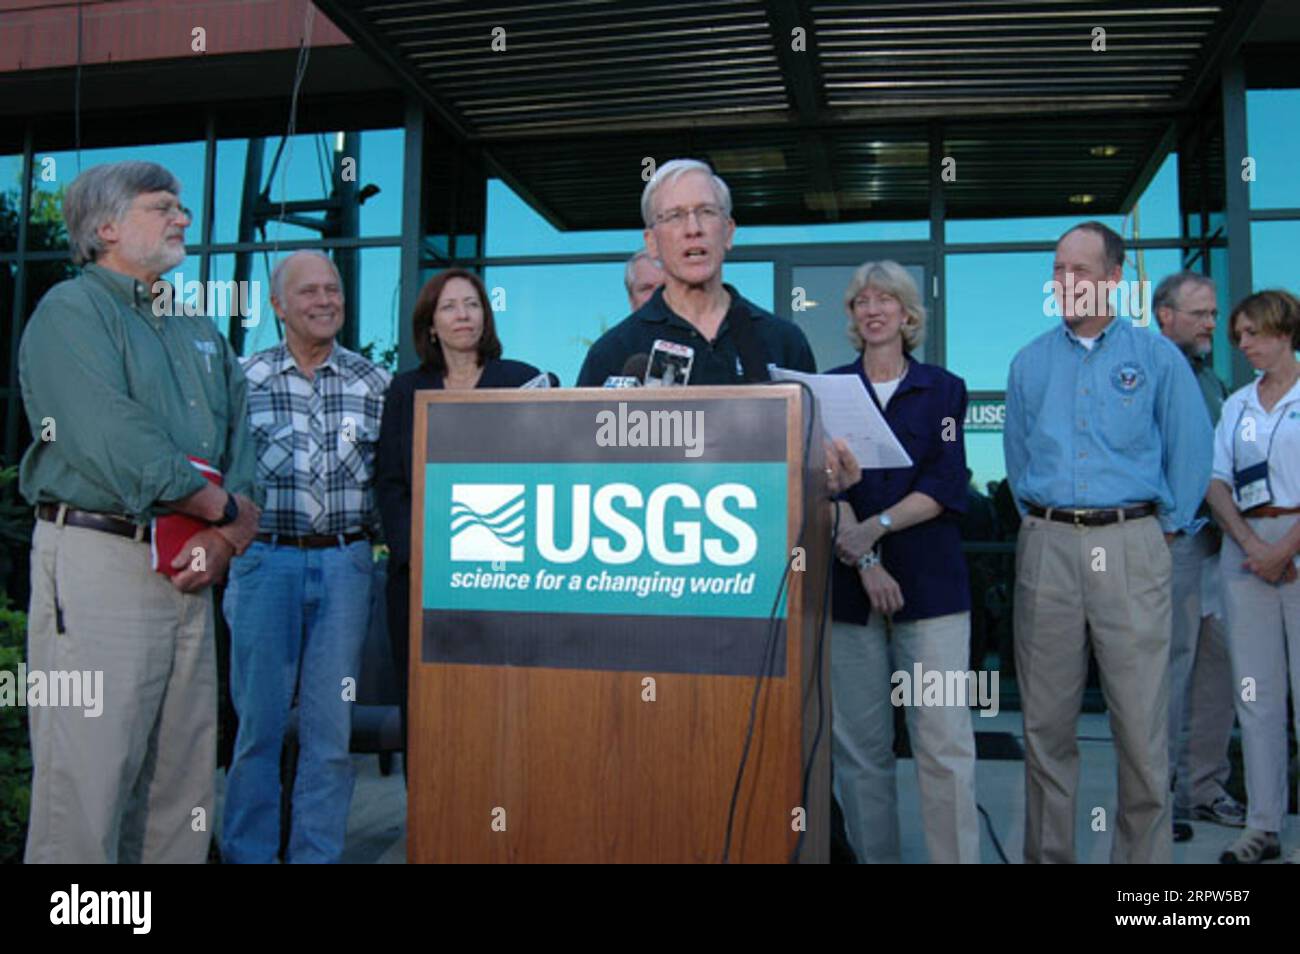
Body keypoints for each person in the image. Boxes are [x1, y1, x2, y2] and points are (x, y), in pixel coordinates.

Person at [18, 161, 262, 863]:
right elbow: (109, 435)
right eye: (163, 207)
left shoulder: (198, 331)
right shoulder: (71, 311)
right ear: (106, 228)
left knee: (181, 788)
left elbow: (244, 442)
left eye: (181, 206)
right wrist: (223, 509)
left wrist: (228, 537)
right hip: (100, 562)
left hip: (188, 575)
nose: (182, 218)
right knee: (88, 786)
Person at [1004, 221, 1212, 864]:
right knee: (1045, 730)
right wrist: (1045, 524)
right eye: (1059, 269)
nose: (1066, 282)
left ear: (1114, 280)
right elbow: (1017, 462)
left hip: (1133, 546)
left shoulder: (1156, 358)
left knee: (1141, 731)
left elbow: (1192, 450)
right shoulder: (1029, 362)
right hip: (1049, 548)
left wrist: (1164, 528)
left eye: (1081, 271)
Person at [221, 250, 391, 863]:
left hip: (346, 567)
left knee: (330, 735)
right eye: (309, 292)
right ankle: (249, 856)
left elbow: (393, 480)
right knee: (258, 732)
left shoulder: (375, 384)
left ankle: (315, 857)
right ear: (277, 306)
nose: (325, 301)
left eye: (333, 290)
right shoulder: (241, 380)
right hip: (264, 565)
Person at [827, 261, 979, 863]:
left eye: (885, 299)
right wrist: (864, 558)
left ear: (908, 313)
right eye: (861, 300)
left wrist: (875, 529)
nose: (873, 309)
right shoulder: (830, 390)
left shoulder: (944, 391)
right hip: (850, 590)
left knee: (942, 744)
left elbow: (946, 480)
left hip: (933, 591)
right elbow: (825, 486)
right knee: (862, 752)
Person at [376, 268, 541, 750]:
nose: (463, 316)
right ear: (431, 324)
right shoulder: (405, 391)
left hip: (504, 578)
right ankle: (428, 820)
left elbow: (546, 473)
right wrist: (420, 556)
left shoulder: (523, 380)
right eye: (449, 307)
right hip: (422, 583)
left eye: (472, 305)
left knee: (499, 709)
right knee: (428, 712)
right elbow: (389, 483)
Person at [1205, 289, 1300, 865]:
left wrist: (1283, 548)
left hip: (1293, 541)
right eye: (1237, 335)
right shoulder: (1237, 404)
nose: (1243, 345)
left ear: (1284, 332)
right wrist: (1250, 544)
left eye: (1253, 334)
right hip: (1244, 552)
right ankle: (1263, 824)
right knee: (1257, 697)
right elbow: (1216, 481)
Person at [576, 158, 815, 386]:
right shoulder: (613, 352)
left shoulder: (783, 341)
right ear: (652, 242)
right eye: (675, 216)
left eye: (707, 212)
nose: (693, 228)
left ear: (728, 232)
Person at [1153, 272, 1246, 836]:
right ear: (1165, 314)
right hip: (1175, 544)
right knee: (1168, 671)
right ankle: (1155, 797)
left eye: (1214, 313)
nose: (1212, 323)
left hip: (1222, 544)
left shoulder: (1210, 378)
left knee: (1220, 667)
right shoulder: (1143, 372)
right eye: (1200, 314)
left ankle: (1203, 786)